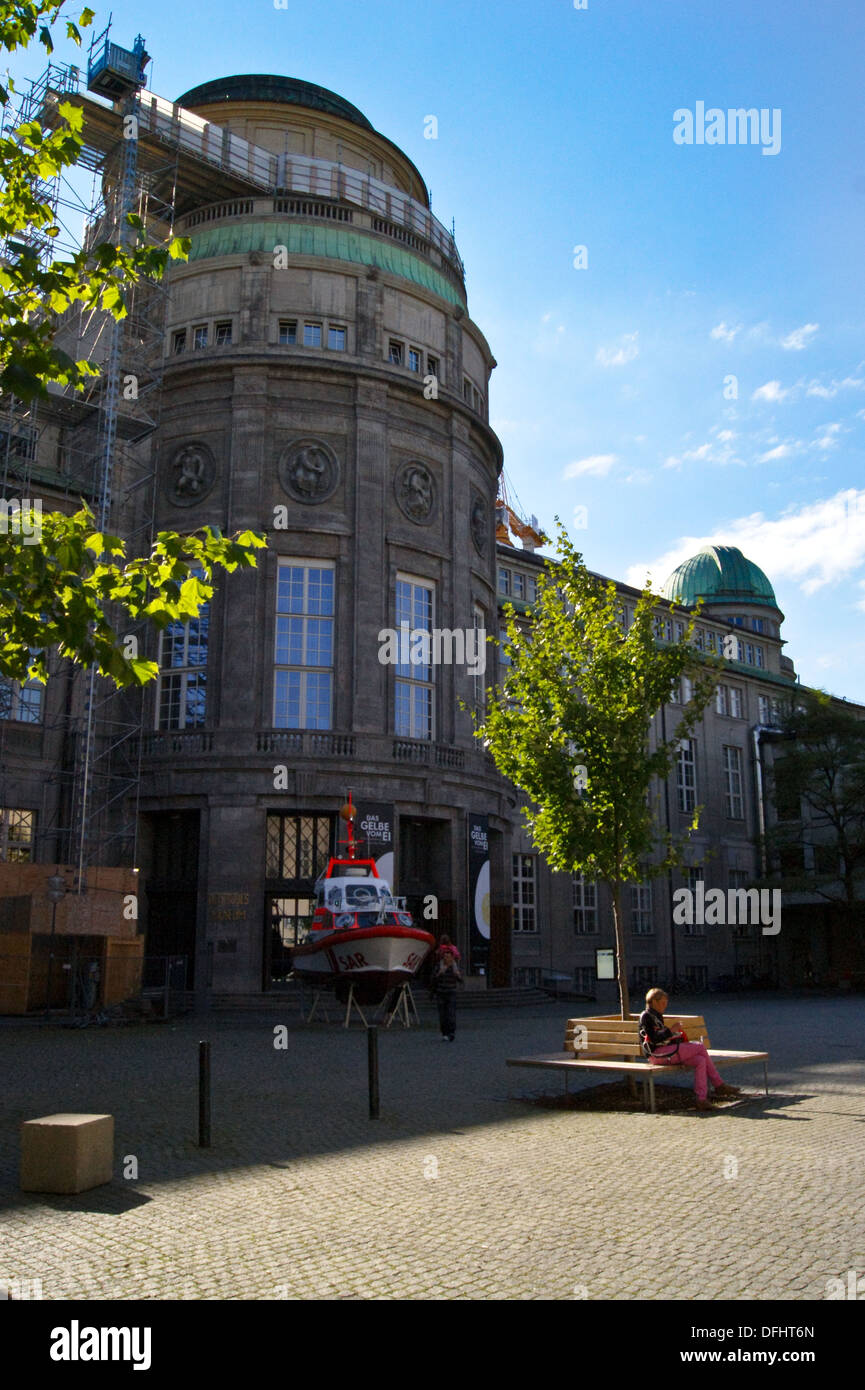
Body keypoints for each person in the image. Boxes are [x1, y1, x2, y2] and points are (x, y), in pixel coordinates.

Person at [638, 986, 740, 1111]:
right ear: (654, 1002)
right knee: (700, 1046)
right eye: (663, 1003)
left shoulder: (656, 1015)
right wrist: (671, 1031)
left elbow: (661, 1037)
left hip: (665, 1052)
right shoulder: (646, 1017)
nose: (665, 1006)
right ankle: (719, 1085)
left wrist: (675, 1036)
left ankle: (701, 1099)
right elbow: (654, 1039)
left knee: (700, 1061)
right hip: (657, 1055)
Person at [432, 935, 462, 1041]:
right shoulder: (439, 966)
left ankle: (451, 1032)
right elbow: (434, 979)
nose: (447, 957)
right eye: (446, 955)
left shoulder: (454, 966)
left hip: (451, 992)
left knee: (451, 1013)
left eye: (449, 955)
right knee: (443, 1015)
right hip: (441, 993)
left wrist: (457, 975)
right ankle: (444, 1032)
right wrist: (440, 972)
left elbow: (460, 980)